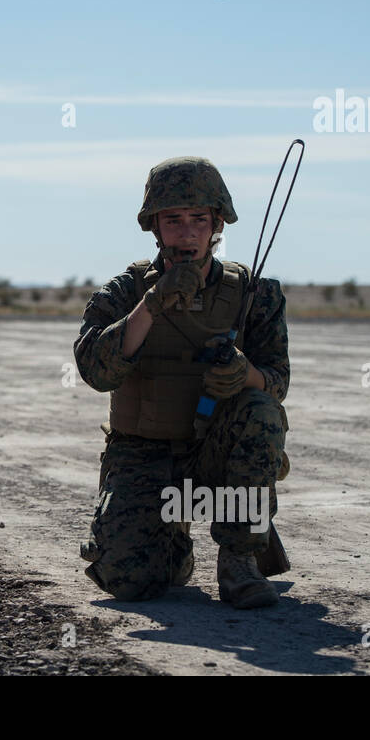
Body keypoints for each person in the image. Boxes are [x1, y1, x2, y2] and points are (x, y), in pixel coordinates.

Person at [73, 156, 291, 609]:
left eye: (199, 219)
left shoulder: (255, 294)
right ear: (156, 226)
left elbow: (276, 382)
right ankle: (172, 544)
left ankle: (239, 559)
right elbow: (97, 372)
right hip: (142, 453)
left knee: (261, 413)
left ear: (216, 224)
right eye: (174, 219)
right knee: (130, 582)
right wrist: (151, 306)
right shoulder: (126, 291)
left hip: (214, 452)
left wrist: (242, 372)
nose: (187, 232)